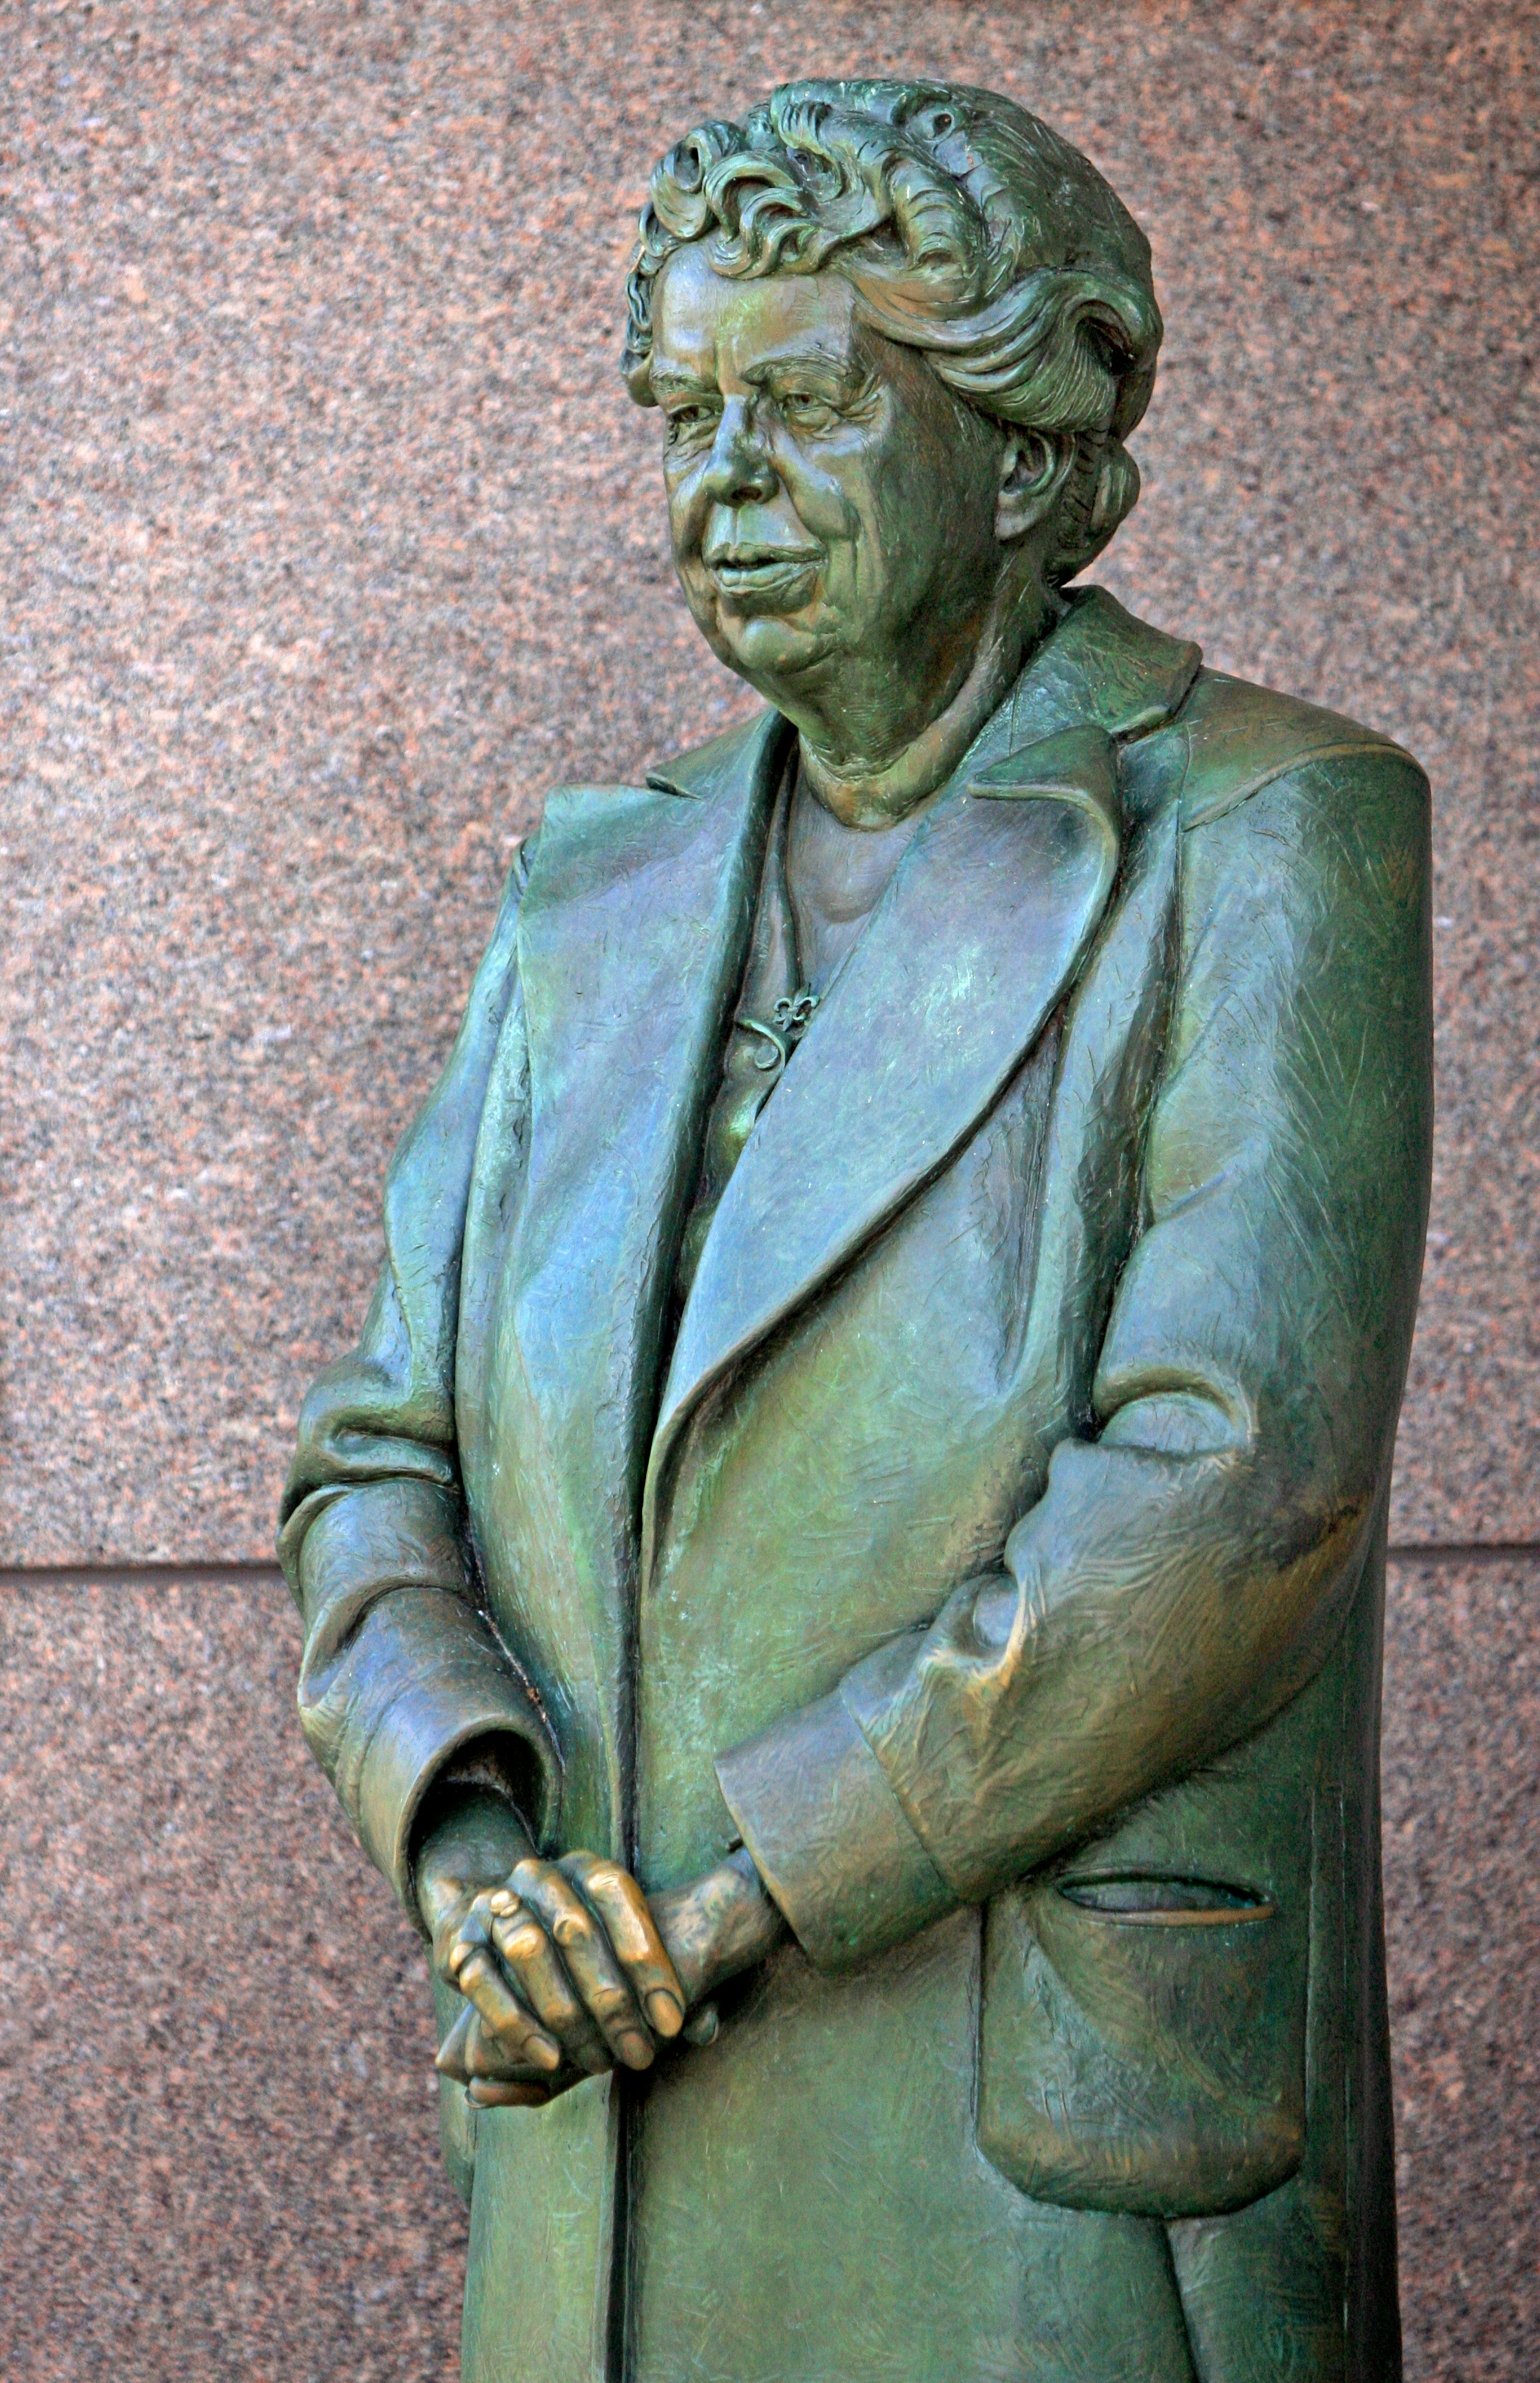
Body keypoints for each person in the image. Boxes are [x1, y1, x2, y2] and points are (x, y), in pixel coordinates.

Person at [280, 78, 1430, 2383]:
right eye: (684, 414)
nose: (722, 480)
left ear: (1016, 453)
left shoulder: (1269, 826)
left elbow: (1232, 1495)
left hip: (1026, 2162)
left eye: (804, 406)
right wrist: (471, 1849)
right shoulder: (592, 890)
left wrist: (748, 1891)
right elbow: (376, 1456)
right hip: (592, 2134)